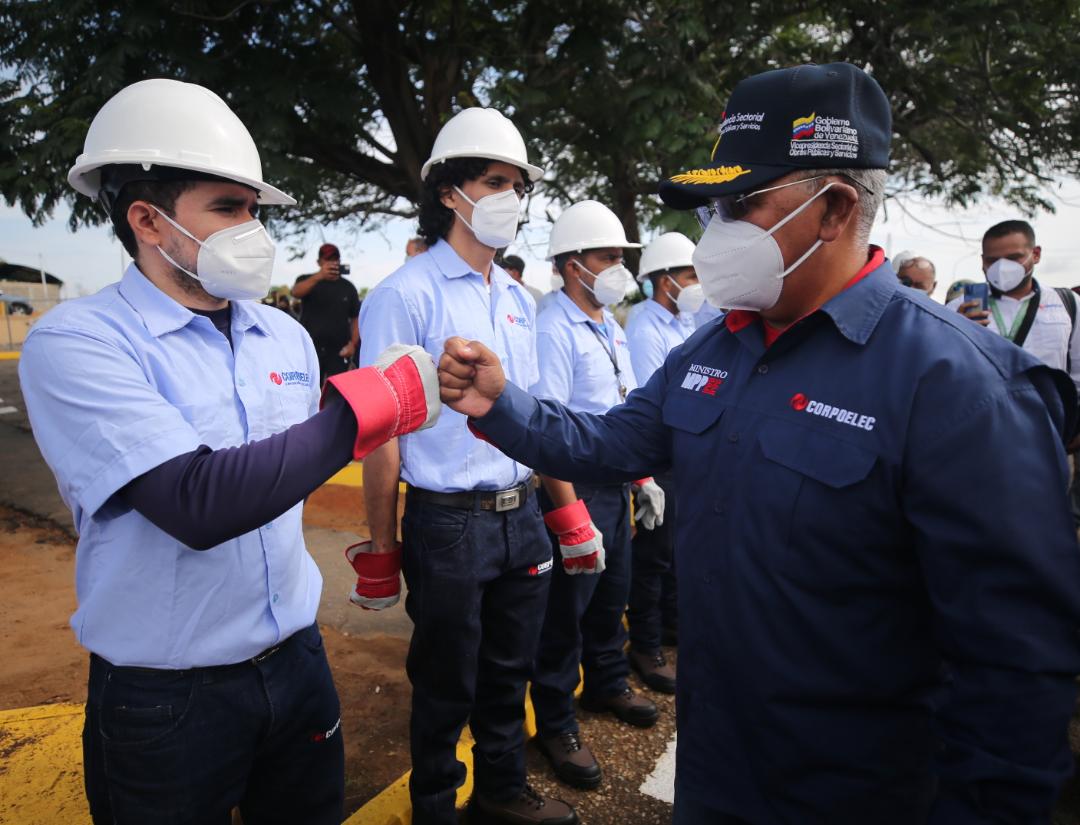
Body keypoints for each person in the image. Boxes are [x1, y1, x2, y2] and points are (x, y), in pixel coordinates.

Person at [437, 63, 1080, 825]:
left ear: (834, 208)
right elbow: (610, 441)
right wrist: (501, 404)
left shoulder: (960, 386)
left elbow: (1014, 673)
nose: (717, 230)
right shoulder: (714, 348)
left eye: (741, 204)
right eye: (714, 207)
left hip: (860, 795)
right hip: (715, 769)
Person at [19, 78, 440, 825]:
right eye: (227, 207)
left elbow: (292, 462)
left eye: (254, 208)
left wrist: (382, 398)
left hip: (298, 663)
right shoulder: (79, 340)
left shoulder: (282, 335)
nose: (253, 228)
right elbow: (197, 501)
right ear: (146, 220)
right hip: (168, 695)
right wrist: (372, 405)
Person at [356, 107, 576, 825]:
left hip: (521, 513)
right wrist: (382, 547)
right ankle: (435, 807)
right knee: (446, 679)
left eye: (519, 185)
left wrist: (567, 512)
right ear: (450, 193)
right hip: (449, 523)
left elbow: (537, 417)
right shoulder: (405, 293)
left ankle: (501, 792)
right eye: (495, 182)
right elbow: (382, 433)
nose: (512, 198)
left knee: (510, 670)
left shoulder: (516, 297)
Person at [529, 200, 661, 790]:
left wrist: (641, 477)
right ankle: (556, 724)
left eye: (619, 258)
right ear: (572, 264)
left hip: (613, 483)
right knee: (566, 613)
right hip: (575, 487)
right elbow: (547, 431)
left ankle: (607, 683)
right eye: (608, 257)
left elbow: (623, 408)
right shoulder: (552, 327)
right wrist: (570, 515)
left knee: (612, 596)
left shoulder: (610, 325)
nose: (618, 269)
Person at [623, 231, 702, 691]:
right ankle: (646, 647)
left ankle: (672, 627)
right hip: (660, 456)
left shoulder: (683, 323)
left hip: (684, 453)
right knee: (652, 558)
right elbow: (656, 399)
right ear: (665, 279)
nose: (697, 285)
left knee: (676, 553)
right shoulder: (644, 328)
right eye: (690, 276)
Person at [949, 220, 1080, 390]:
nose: (1002, 267)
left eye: (1013, 258)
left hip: (1049, 405)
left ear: (1036, 254)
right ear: (982, 261)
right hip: (986, 405)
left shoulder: (1067, 303)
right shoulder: (958, 309)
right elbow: (946, 370)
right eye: (992, 260)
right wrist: (955, 334)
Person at [291, 242, 361, 385]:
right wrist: (320, 276)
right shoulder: (307, 280)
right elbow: (296, 292)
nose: (333, 263)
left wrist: (353, 344)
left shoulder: (348, 287)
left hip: (339, 351)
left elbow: (356, 318)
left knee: (337, 391)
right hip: (311, 348)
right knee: (309, 388)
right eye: (328, 259)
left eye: (335, 259)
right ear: (319, 262)